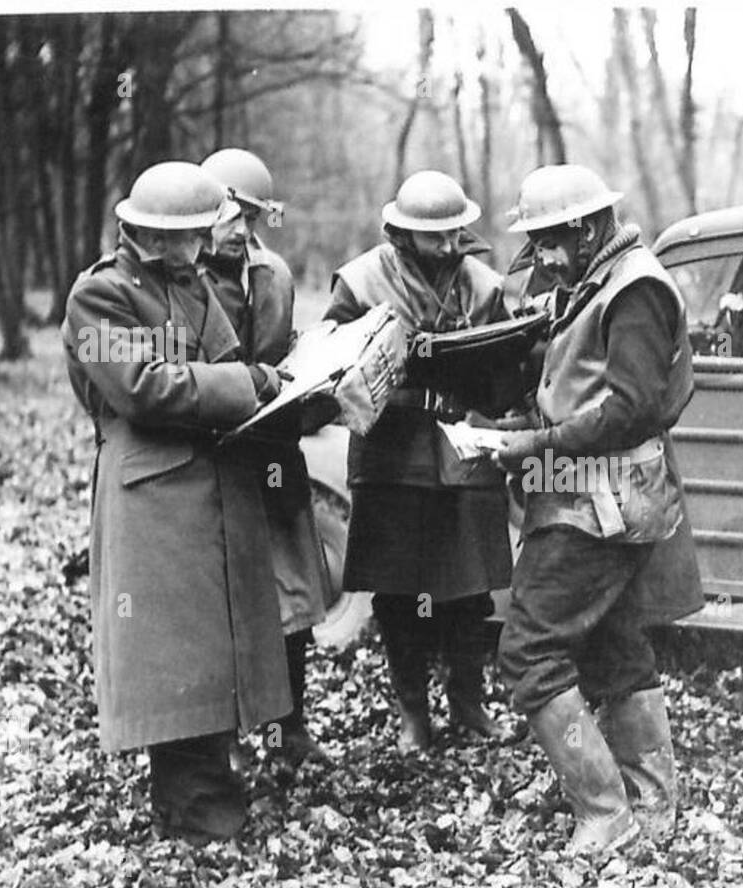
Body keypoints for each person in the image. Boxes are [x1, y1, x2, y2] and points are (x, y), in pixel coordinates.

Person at [62, 161, 291, 844]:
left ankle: (208, 787)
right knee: (174, 652)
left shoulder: (188, 284)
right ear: (157, 235)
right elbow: (141, 387)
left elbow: (228, 361)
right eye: (195, 232)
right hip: (152, 497)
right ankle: (193, 805)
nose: (208, 243)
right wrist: (248, 383)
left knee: (218, 644)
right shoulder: (99, 295)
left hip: (212, 480)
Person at [493, 164, 703, 854]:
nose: (542, 260)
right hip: (598, 493)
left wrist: (532, 444)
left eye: (549, 243)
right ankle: (653, 803)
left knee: (528, 652)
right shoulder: (601, 278)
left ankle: (606, 814)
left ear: (585, 229)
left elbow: (629, 406)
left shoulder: (635, 286)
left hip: (598, 500)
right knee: (615, 644)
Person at [323, 170, 511, 754]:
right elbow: (329, 359)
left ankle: (468, 704)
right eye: (437, 238)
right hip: (391, 455)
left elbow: (508, 372)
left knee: (469, 591)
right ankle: (413, 714)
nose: (452, 248)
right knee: (398, 593)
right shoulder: (359, 281)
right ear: (400, 235)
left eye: (458, 235)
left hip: (464, 452)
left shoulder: (485, 285)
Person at [200, 147, 330, 768]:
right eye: (233, 215)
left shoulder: (271, 275)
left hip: (272, 460)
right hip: (210, 466)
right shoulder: (182, 277)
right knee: (220, 604)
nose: (243, 231)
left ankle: (289, 729)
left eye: (253, 219)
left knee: (293, 600)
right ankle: (221, 739)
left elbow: (278, 359)